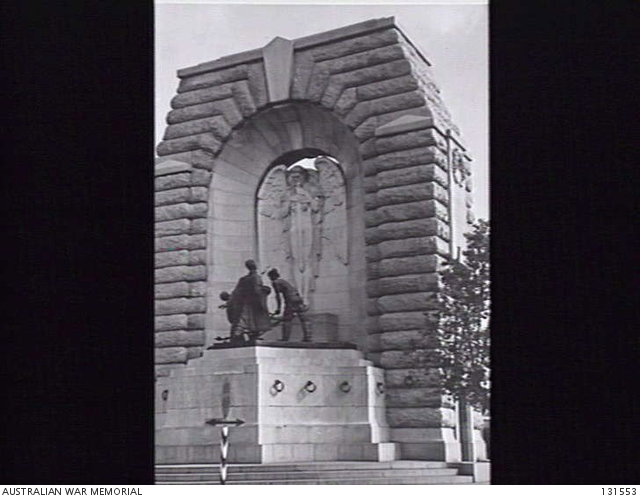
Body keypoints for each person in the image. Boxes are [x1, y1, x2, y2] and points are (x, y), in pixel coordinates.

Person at [227, 260, 271, 341]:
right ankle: (241, 335)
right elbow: (257, 290)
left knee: (244, 321)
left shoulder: (243, 279)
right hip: (252, 304)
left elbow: (236, 292)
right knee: (252, 322)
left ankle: (246, 335)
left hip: (243, 303)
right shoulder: (256, 277)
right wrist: (264, 294)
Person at [267, 268, 311, 342]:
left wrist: (278, 309)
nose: (270, 279)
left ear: (272, 276)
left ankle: (285, 338)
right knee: (304, 319)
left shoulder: (275, 282)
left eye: (270, 277)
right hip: (298, 299)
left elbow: (278, 297)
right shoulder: (283, 281)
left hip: (290, 301)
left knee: (287, 320)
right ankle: (308, 337)